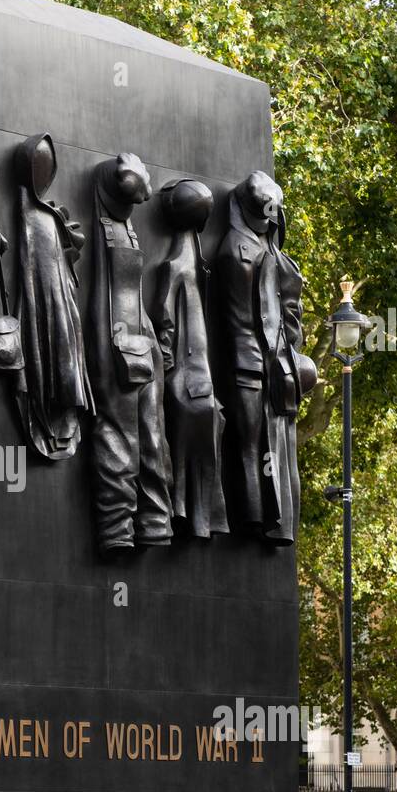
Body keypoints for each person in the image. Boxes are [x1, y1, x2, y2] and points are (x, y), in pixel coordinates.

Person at [214, 170, 317, 544]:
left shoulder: (246, 250)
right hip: (257, 363)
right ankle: (260, 517)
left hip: (257, 363)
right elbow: (257, 320)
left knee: (258, 446)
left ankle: (265, 518)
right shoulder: (245, 252)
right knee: (255, 445)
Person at [87, 152, 172, 551]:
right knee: (118, 432)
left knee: (153, 434)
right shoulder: (103, 223)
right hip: (116, 338)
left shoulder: (125, 226)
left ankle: (156, 520)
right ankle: (117, 525)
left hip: (139, 335)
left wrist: (151, 343)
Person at [152, 177, 228, 539]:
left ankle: (187, 511)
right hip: (198, 382)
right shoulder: (189, 266)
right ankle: (193, 514)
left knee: (192, 458)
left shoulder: (180, 266)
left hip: (189, 380)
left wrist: (166, 371)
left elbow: (164, 322)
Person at [14, 132, 93, 460]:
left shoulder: (48, 218)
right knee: (51, 342)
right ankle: (52, 396)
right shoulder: (34, 219)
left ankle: (61, 393)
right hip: (46, 311)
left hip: (64, 306)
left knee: (61, 340)